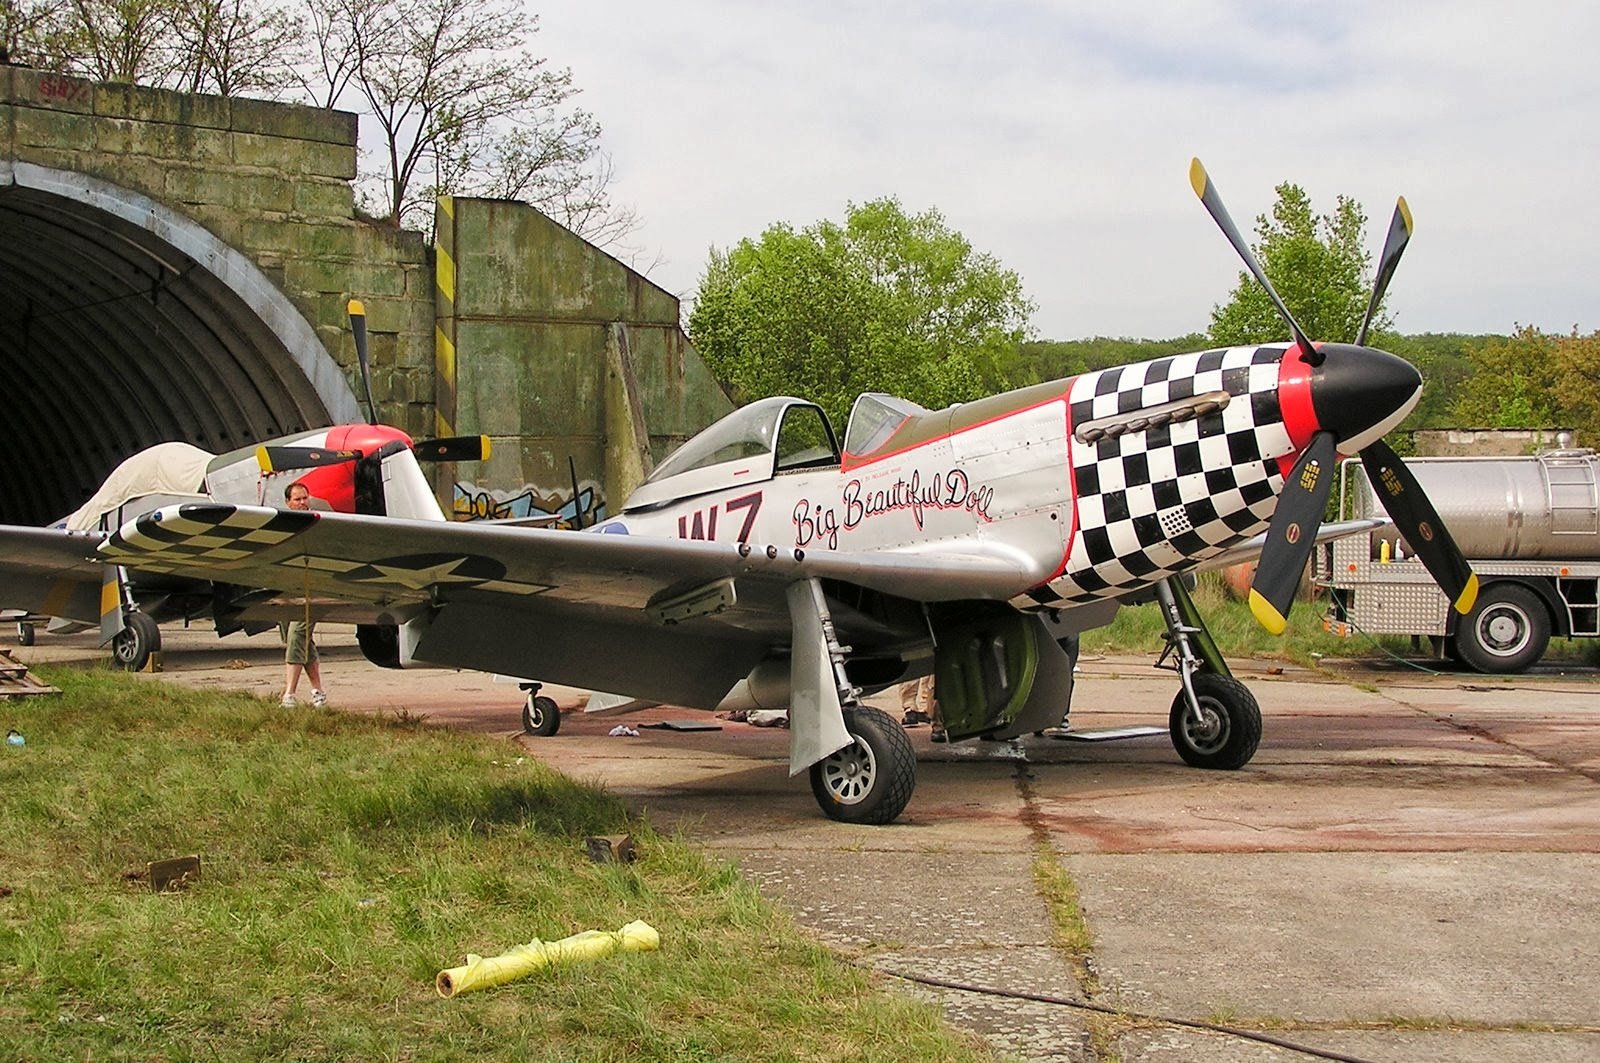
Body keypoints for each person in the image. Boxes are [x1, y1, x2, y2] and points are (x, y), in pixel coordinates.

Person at [279, 480, 328, 708]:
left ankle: (289, 694)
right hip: (289, 588)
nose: (302, 503)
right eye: (297, 499)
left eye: (305, 498)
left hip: (312, 588)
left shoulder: (318, 522)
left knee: (297, 635)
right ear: (288, 502)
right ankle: (318, 691)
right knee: (299, 641)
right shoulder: (282, 525)